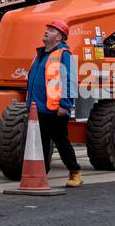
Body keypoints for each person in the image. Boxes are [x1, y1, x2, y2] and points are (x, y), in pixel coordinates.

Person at [25, 18, 82, 188]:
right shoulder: (40, 55)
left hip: (55, 110)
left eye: (51, 29)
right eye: (47, 28)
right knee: (40, 145)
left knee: (61, 142)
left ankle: (75, 171)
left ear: (59, 37)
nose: (46, 31)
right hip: (38, 109)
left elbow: (70, 80)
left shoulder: (63, 55)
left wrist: (65, 105)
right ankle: (42, 175)